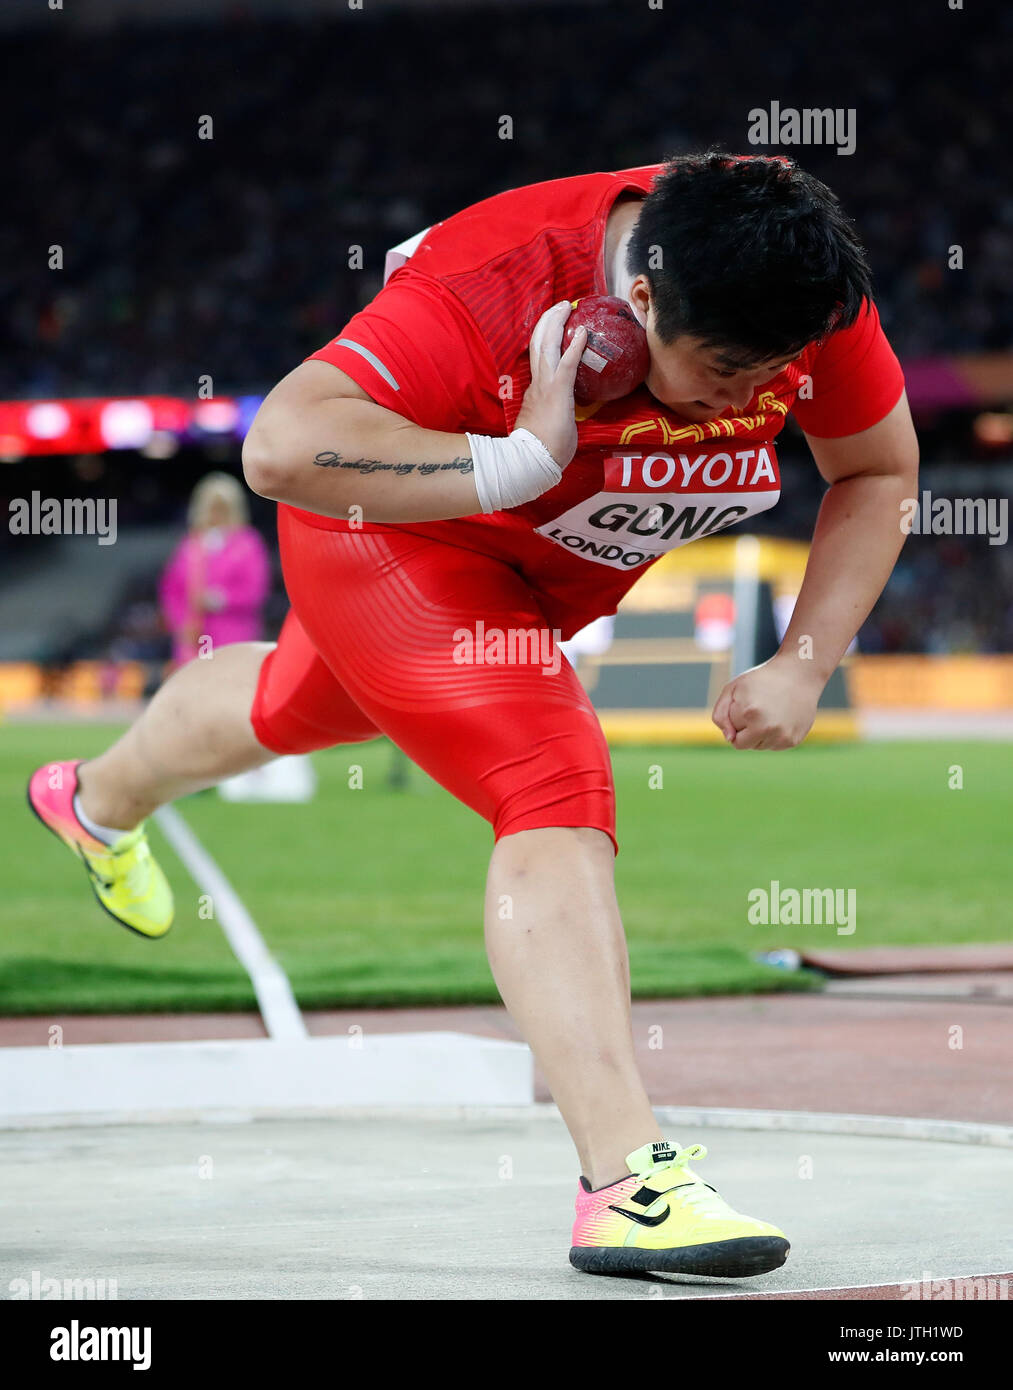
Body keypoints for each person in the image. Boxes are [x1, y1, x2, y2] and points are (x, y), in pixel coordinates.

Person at [28, 153, 918, 1279]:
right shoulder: (495, 279)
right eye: (729, 370)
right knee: (549, 773)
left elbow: (878, 469)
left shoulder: (792, 283)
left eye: (779, 372)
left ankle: (94, 798)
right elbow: (280, 448)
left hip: (540, 573)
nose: (757, 400)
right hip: (394, 535)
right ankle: (624, 1182)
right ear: (638, 298)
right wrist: (516, 460)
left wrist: (802, 657)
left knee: (290, 704)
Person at [158, 472, 271, 669]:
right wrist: (179, 622)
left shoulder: (247, 543)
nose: (216, 515)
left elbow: (255, 590)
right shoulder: (190, 545)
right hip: (194, 638)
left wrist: (220, 599)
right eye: (212, 508)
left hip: (234, 636)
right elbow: (171, 589)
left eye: (221, 509)